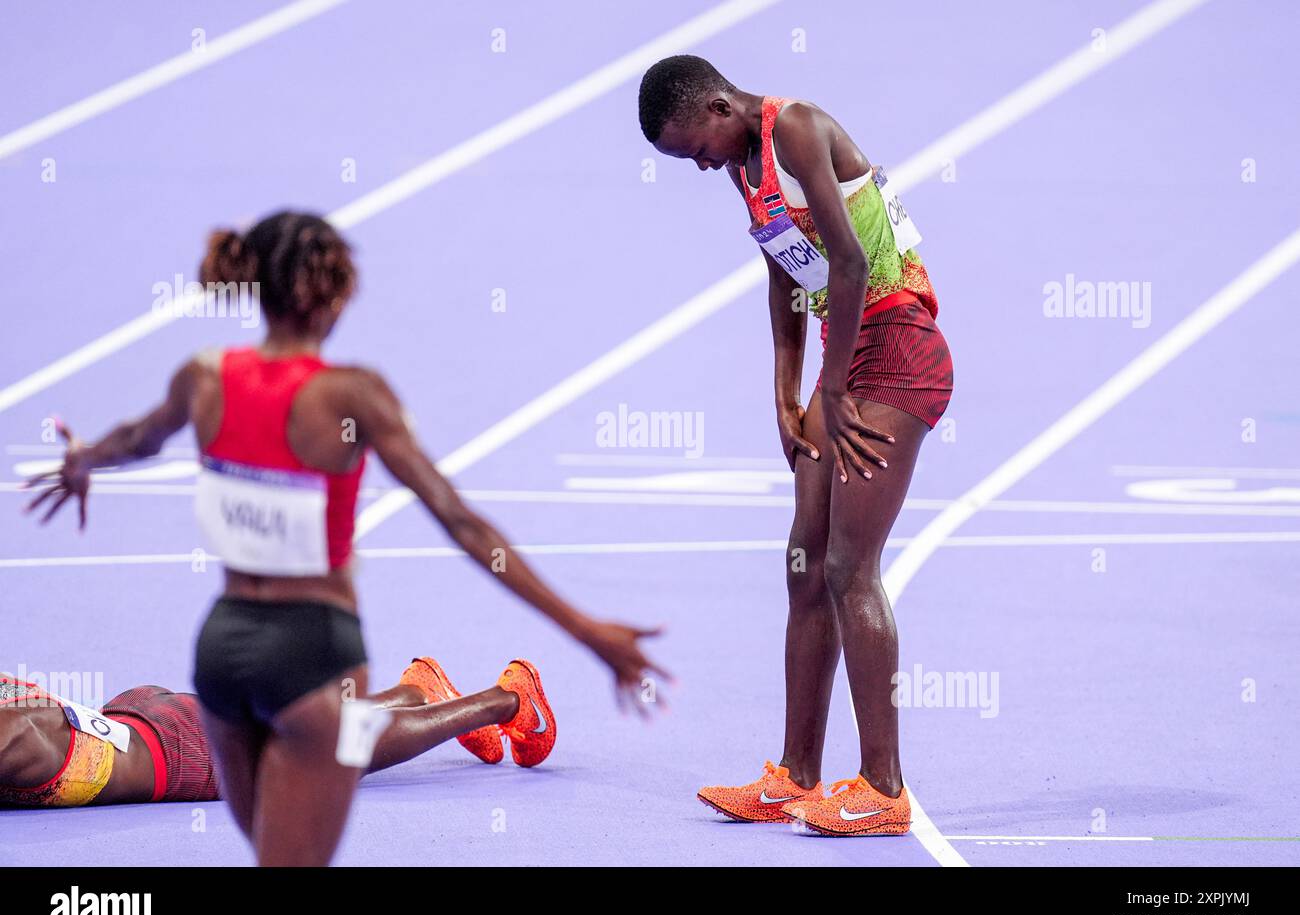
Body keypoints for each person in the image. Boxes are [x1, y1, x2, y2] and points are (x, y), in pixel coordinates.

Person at [25, 212, 666, 863]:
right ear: (332, 296)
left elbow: (138, 438)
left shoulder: (205, 377)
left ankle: (468, 702)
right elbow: (462, 521)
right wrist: (584, 629)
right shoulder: (350, 396)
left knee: (271, 852)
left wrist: (81, 463)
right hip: (314, 655)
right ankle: (483, 701)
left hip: (221, 654)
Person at [638, 56, 952, 836]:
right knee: (804, 565)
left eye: (694, 149)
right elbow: (787, 273)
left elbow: (845, 264)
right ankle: (796, 776)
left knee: (850, 564)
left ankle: (883, 789)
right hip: (844, 359)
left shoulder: (800, 128)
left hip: (898, 349)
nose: (700, 165)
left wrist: (832, 390)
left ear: (717, 104)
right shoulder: (744, 167)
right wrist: (785, 388)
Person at [0, 657, 548, 809]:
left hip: (183, 754)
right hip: (142, 718)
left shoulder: (12, 739)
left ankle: (507, 702)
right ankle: (415, 693)